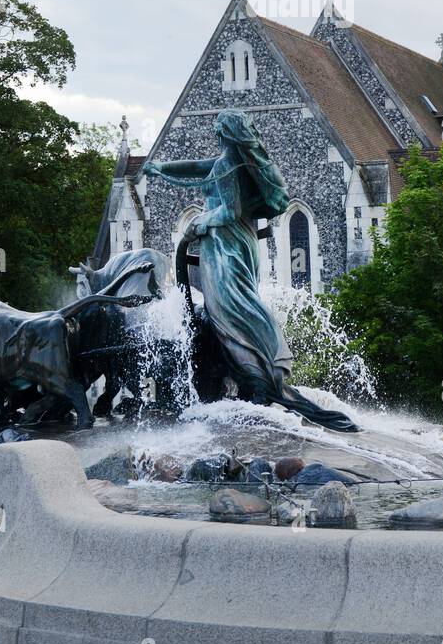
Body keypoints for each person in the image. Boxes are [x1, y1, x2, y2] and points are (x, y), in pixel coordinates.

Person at [143, 109, 358, 432]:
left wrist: (199, 222)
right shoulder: (228, 163)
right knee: (236, 304)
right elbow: (196, 168)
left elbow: (230, 210)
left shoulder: (228, 166)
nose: (214, 135)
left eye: (217, 131)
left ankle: (261, 374)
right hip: (236, 242)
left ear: (225, 134)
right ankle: (256, 374)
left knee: (231, 308)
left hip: (225, 245)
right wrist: (160, 168)